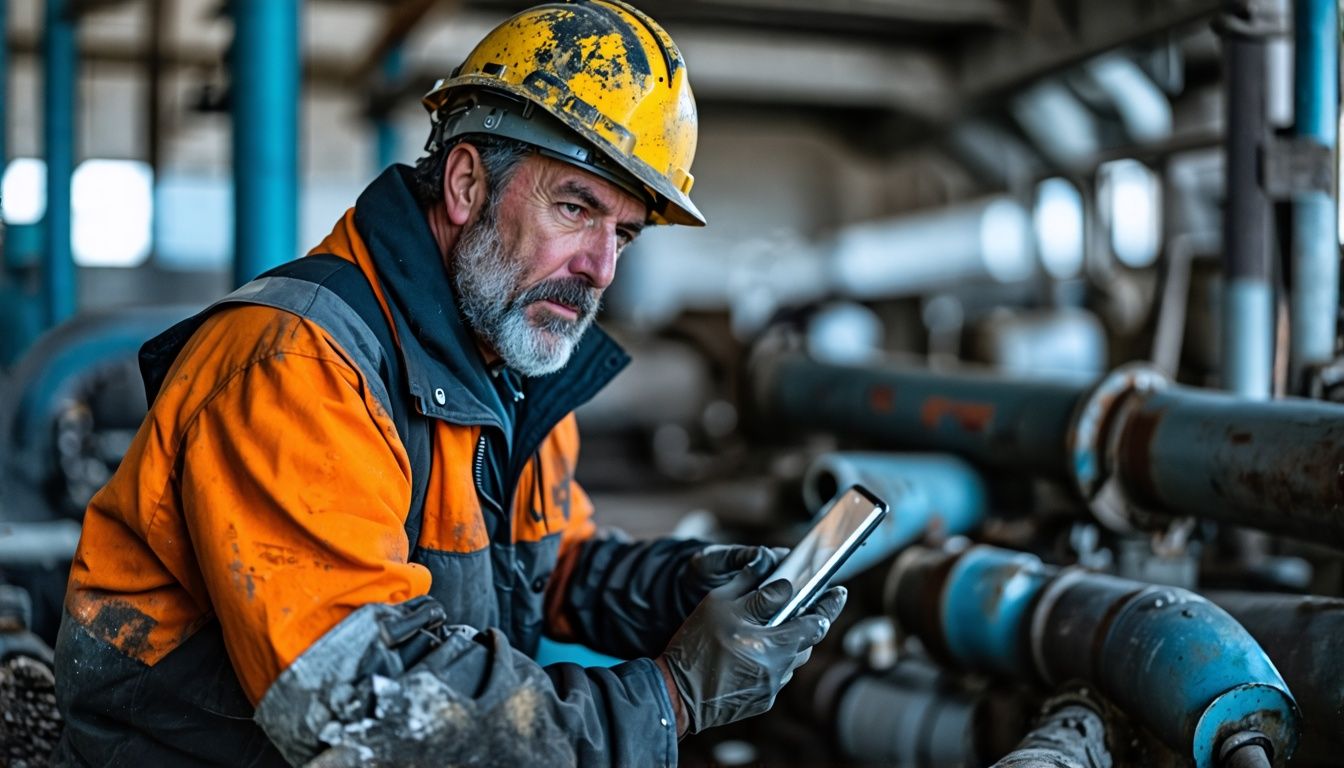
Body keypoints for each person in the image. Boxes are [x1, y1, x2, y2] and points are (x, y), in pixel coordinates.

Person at [52, 2, 846, 765]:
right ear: (466, 184)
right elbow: (370, 716)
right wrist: (671, 699)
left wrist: (677, 586)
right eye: (576, 207)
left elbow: (545, 565)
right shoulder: (297, 368)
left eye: (624, 234)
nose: (600, 267)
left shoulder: (514, 361)